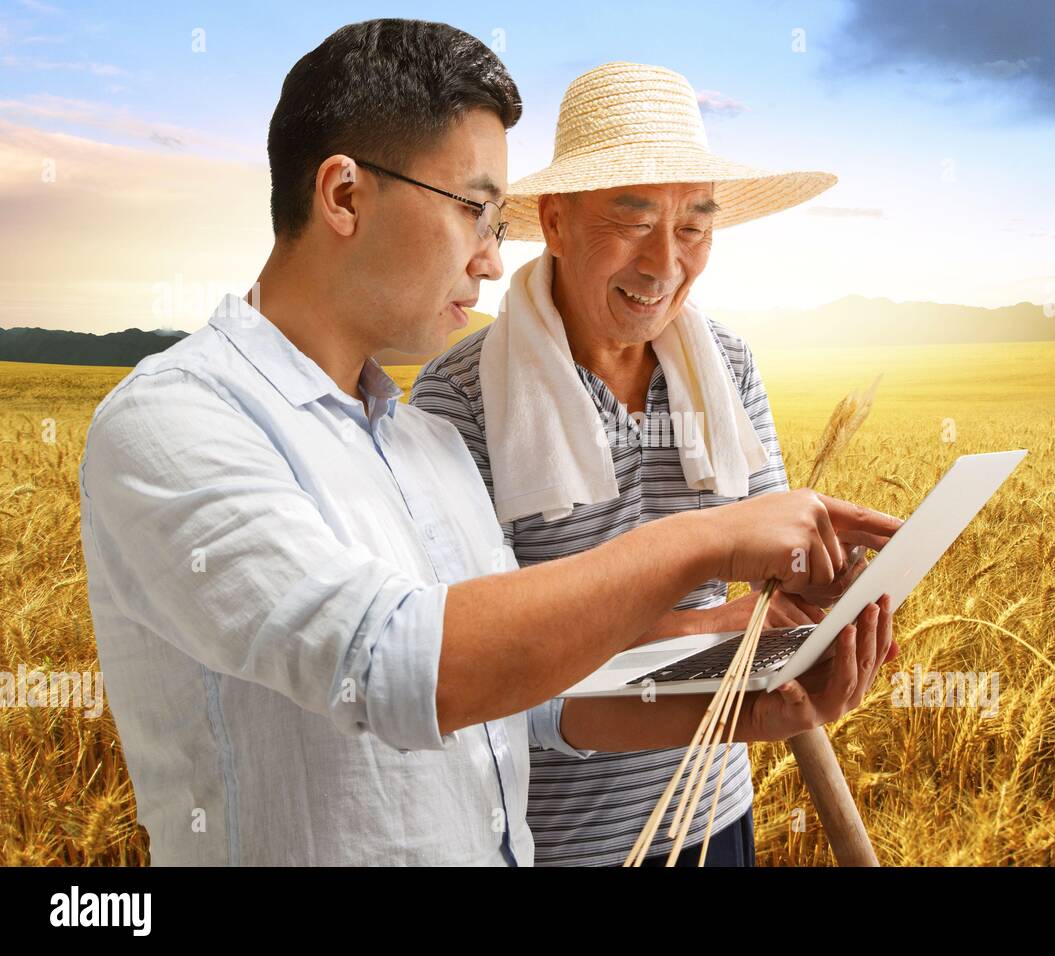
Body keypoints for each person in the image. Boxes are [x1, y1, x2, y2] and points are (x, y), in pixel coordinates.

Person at [79, 19, 901, 866]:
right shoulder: (174, 423)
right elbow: (396, 660)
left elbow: (535, 700)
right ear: (345, 196)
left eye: (494, 222)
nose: (489, 261)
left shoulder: (419, 441)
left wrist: (733, 706)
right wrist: (709, 540)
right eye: (475, 210)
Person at [412, 61, 873, 866]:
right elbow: (474, 665)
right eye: (632, 222)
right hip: (559, 841)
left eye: (694, 227)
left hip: (715, 807)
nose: (666, 265)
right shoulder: (461, 397)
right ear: (554, 223)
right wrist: (704, 630)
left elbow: (771, 580)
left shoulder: (725, 364)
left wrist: (826, 593)